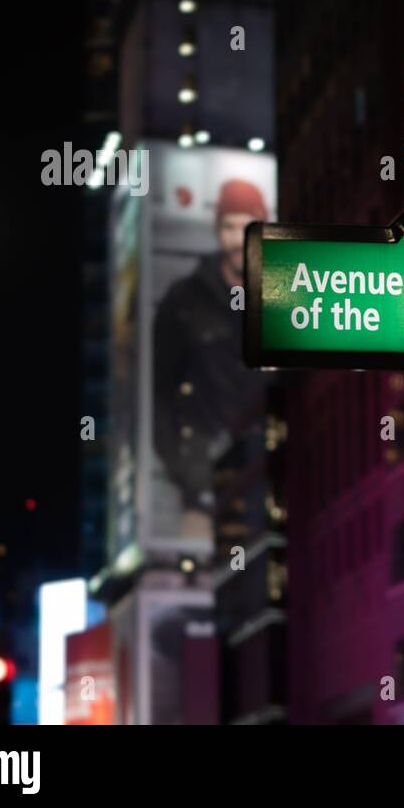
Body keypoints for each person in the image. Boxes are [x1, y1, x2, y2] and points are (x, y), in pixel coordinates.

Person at [153, 178, 268, 541]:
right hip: (207, 485)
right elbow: (160, 395)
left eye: (246, 226)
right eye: (228, 227)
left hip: (275, 471)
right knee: (215, 585)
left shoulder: (288, 295)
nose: (236, 239)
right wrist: (189, 479)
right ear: (217, 230)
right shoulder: (184, 299)